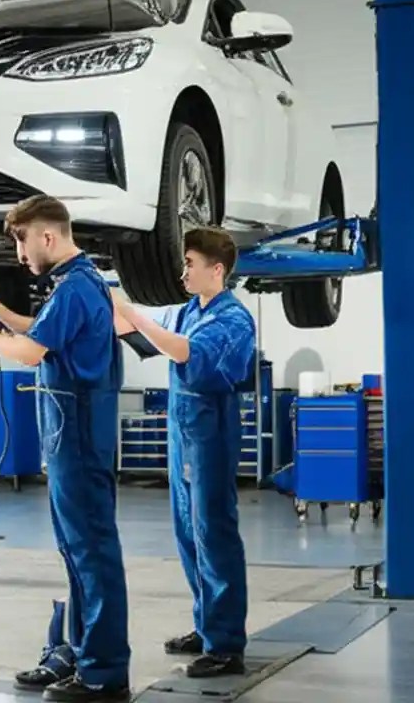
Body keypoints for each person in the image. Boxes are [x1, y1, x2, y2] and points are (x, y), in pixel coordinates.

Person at [0, 194, 131, 703]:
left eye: (23, 241)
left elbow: (31, 352)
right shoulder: (77, 285)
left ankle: (104, 673)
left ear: (48, 236)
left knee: (92, 554)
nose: (21, 254)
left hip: (80, 441)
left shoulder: (75, 288)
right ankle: (81, 652)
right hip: (72, 440)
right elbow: (36, 330)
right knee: (78, 552)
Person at [111, 227, 257, 678]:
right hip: (183, 435)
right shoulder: (191, 310)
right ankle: (206, 624)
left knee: (213, 533)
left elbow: (184, 352)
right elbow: (141, 330)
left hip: (210, 437)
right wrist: (110, 304)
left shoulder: (233, 320)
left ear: (218, 269)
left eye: (190, 264)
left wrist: (137, 314)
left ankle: (226, 643)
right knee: (188, 532)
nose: (183, 272)